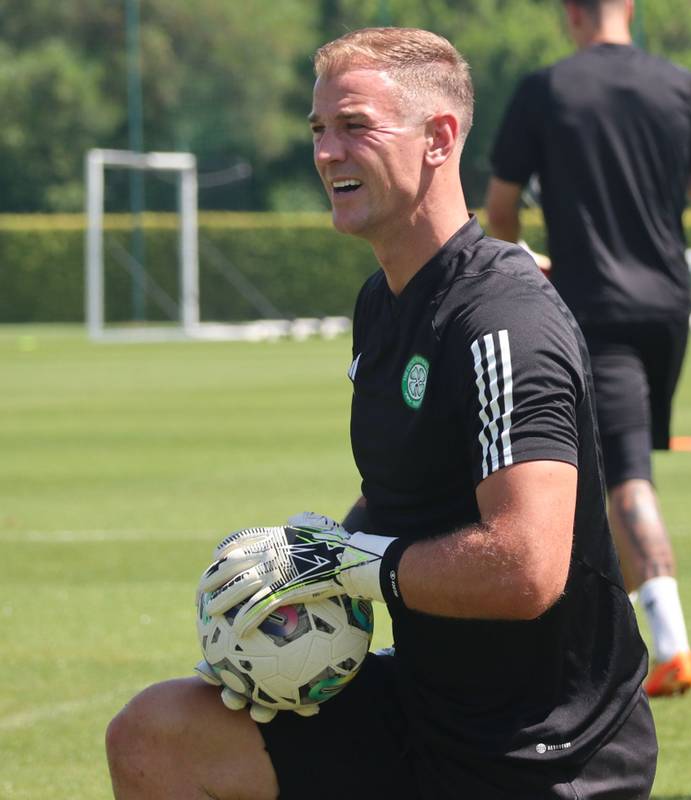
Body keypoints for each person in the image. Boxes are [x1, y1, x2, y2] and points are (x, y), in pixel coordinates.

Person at [105, 27, 657, 800]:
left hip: (547, 753)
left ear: (439, 138)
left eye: (355, 126)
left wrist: (354, 565)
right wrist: (300, 577)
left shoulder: (505, 322)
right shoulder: (384, 302)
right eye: (318, 130)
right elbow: (402, 497)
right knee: (155, 735)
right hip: (427, 712)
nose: (327, 153)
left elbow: (527, 565)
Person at [485, 0, 691, 698]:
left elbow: (500, 208)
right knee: (602, 471)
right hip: (669, 307)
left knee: (622, 477)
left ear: (572, 13)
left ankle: (672, 647)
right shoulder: (681, 86)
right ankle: (605, 643)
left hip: (596, 308)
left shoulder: (547, 89)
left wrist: (516, 265)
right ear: (631, 7)